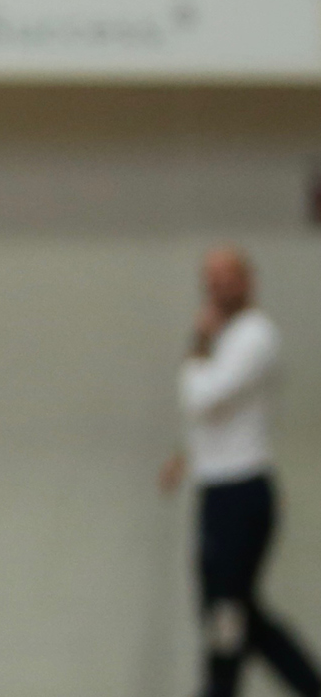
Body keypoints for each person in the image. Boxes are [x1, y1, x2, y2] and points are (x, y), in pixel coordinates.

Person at [160, 246, 319, 697]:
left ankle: (219, 689)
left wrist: (197, 344)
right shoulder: (226, 337)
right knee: (233, 611)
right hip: (216, 489)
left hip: (242, 493)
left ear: (248, 280)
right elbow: (212, 419)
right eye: (209, 277)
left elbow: (203, 398)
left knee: (228, 609)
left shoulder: (254, 335)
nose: (216, 286)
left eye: (225, 276)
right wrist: (186, 455)